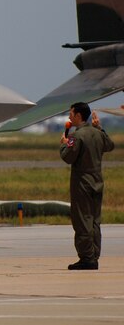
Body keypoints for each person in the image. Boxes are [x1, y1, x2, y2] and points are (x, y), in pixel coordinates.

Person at [60, 101, 115, 270]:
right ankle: (94, 255)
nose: (69, 116)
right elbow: (109, 145)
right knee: (94, 221)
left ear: (78, 115)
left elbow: (67, 157)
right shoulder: (97, 133)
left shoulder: (76, 136)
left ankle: (87, 258)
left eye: (71, 114)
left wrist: (64, 142)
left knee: (82, 220)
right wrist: (99, 128)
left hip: (82, 184)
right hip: (97, 182)